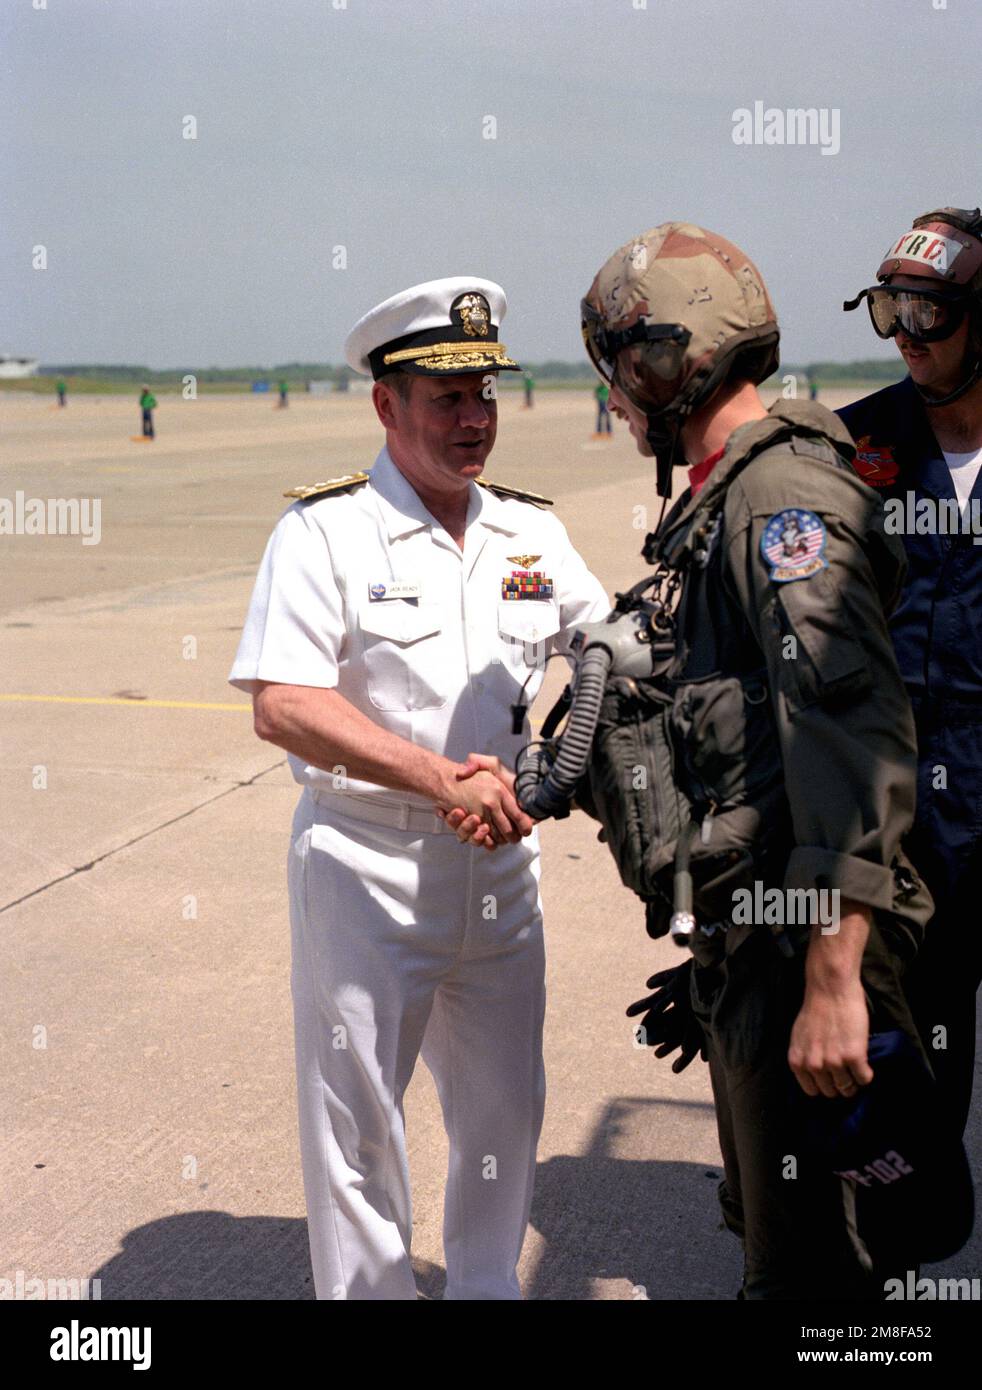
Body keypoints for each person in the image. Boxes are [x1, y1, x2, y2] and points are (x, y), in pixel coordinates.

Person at [569, 221, 932, 1299]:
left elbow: (851, 740)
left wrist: (828, 980)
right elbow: (755, 760)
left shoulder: (782, 505)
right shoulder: (722, 496)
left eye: (623, 368)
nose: (620, 396)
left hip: (806, 970)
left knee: (817, 1274)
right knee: (772, 1242)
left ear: (666, 361)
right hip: (756, 954)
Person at [228, 277, 609, 1301]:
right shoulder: (324, 536)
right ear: (386, 406)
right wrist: (438, 775)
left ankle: (486, 1287)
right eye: (446, 398)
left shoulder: (530, 534)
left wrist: (549, 765)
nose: (473, 418)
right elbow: (284, 705)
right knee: (357, 1119)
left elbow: (612, 652)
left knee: (502, 1109)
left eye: (483, 393)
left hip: (499, 865)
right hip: (365, 864)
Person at [839, 207, 982, 1141]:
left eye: (929, 314)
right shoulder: (853, 449)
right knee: (907, 1072)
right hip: (902, 812)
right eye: (890, 310)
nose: (905, 338)